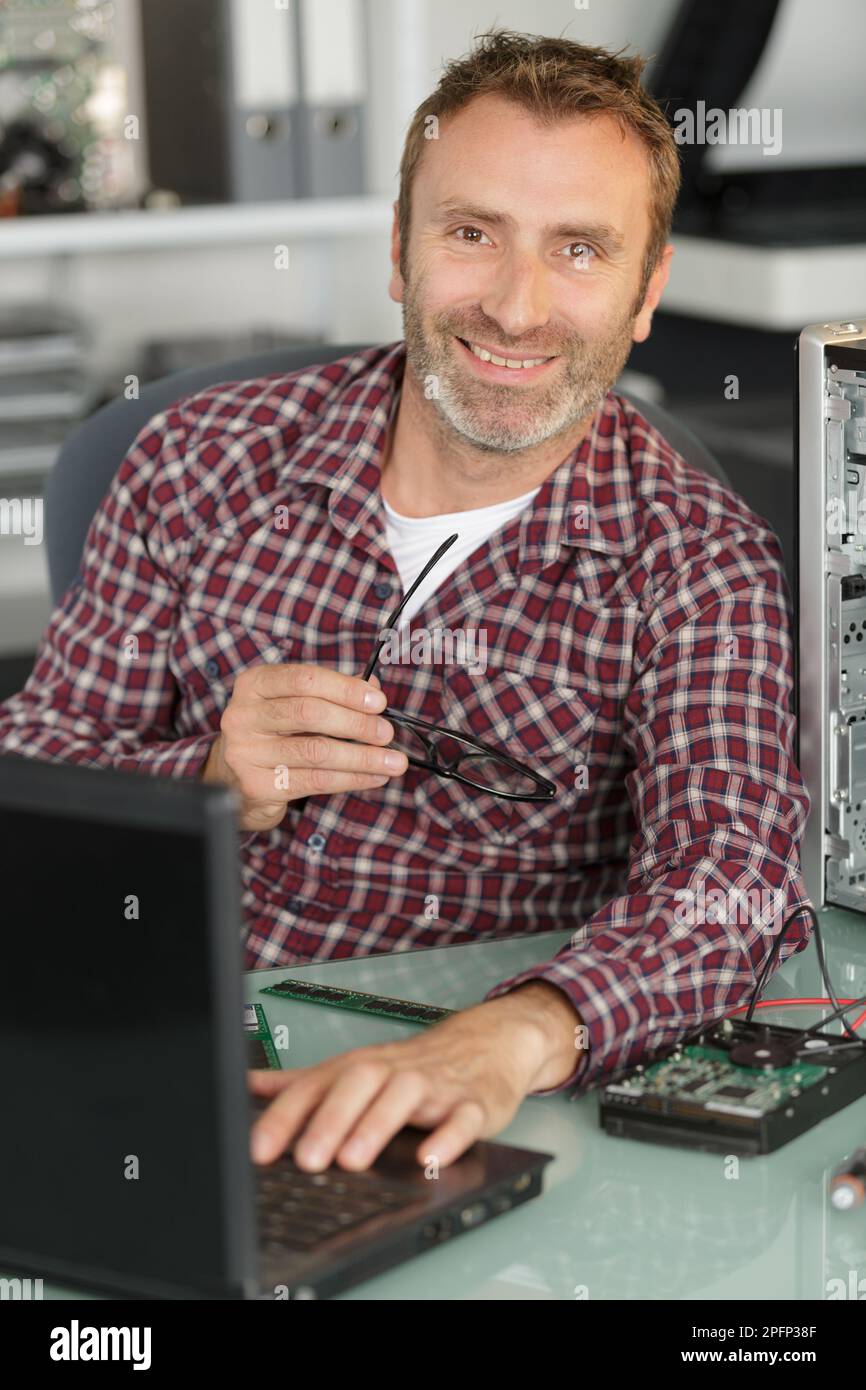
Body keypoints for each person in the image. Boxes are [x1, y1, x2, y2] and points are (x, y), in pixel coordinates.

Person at [0, 31, 813, 1174]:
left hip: (469, 1109)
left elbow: (729, 880)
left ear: (645, 293)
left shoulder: (698, 558)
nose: (516, 309)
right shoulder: (193, 459)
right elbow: (27, 772)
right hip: (152, 1051)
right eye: (471, 234)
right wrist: (206, 780)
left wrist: (518, 1034)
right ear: (399, 248)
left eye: (578, 250)